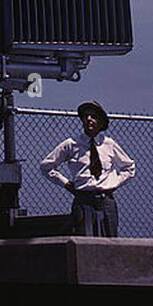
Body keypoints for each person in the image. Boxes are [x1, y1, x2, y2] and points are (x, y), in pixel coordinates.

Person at [39, 100, 135, 238]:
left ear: (101, 122)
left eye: (93, 116)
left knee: (110, 239)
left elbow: (129, 167)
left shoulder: (109, 144)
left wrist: (114, 183)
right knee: (84, 239)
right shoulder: (71, 144)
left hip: (105, 200)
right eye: (86, 116)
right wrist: (65, 183)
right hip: (83, 200)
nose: (89, 119)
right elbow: (46, 166)